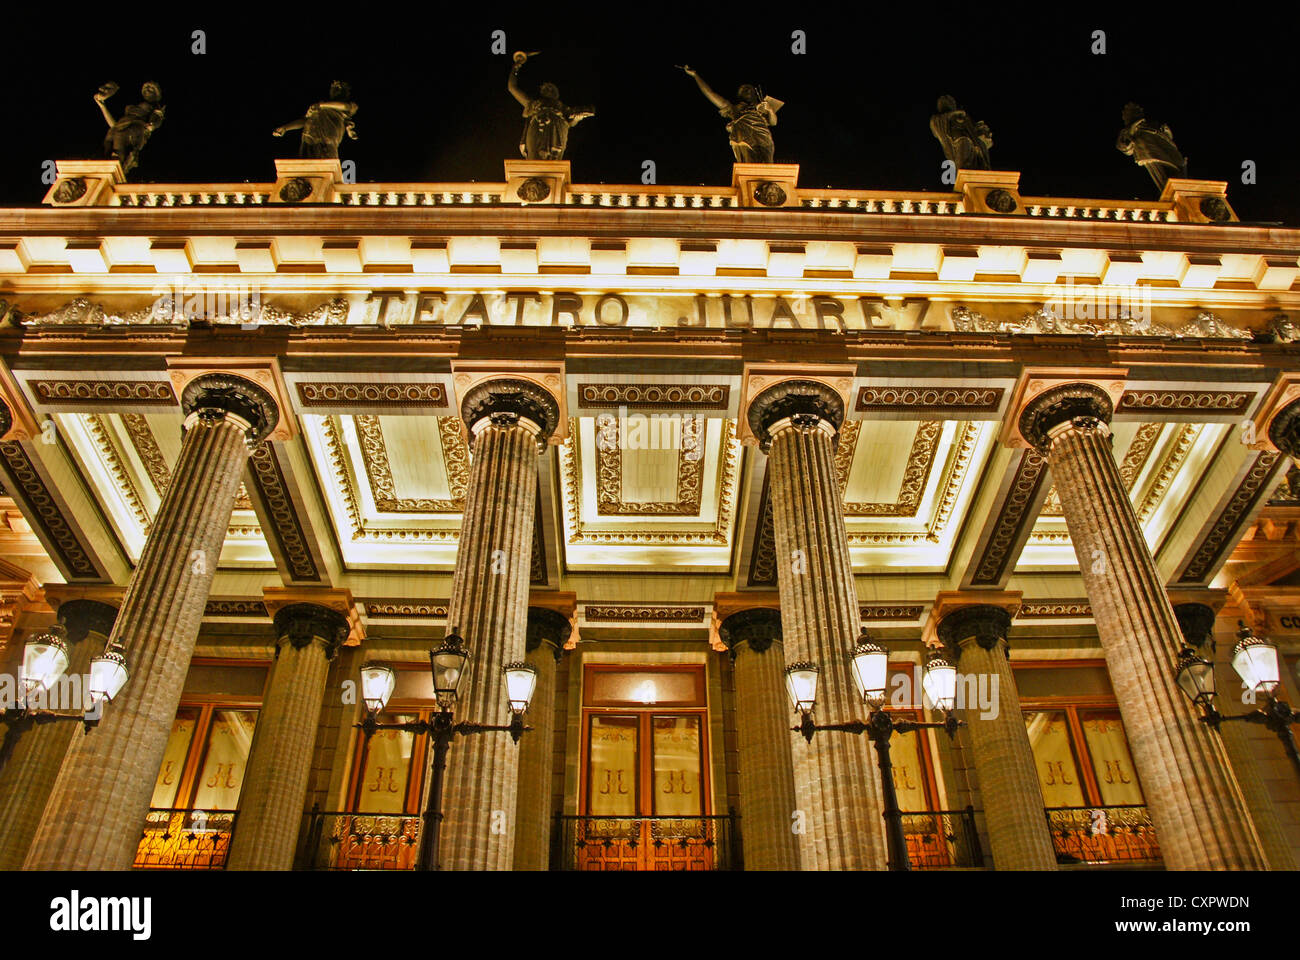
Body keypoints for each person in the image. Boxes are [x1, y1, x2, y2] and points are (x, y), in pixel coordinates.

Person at [680, 65, 782, 163]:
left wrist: (770, 111)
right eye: (744, 89)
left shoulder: (762, 108)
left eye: (749, 89)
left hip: (764, 139)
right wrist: (695, 76)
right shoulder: (733, 109)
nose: (747, 90)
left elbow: (773, 122)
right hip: (744, 139)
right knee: (749, 165)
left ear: (755, 94)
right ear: (739, 95)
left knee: (767, 166)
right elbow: (710, 93)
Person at [508, 52, 594, 161]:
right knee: (534, 157)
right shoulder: (534, 103)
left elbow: (572, 120)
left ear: (557, 94)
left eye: (551, 89)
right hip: (538, 128)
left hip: (557, 132)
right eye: (546, 89)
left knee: (554, 159)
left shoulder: (562, 108)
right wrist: (516, 66)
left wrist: (578, 117)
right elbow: (512, 87)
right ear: (541, 92)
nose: (549, 90)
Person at [94, 81, 165, 177]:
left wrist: (152, 125)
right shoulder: (132, 108)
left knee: (119, 150)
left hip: (134, 129)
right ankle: (105, 175)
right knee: (106, 149)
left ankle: (117, 175)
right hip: (119, 128)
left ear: (157, 94)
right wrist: (102, 106)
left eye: (151, 88)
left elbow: (157, 118)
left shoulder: (155, 106)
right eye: (146, 88)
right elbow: (114, 125)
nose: (147, 89)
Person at [273, 82, 359, 159]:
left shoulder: (348, 106)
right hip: (308, 138)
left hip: (327, 140)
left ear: (346, 92)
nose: (336, 90)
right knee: (305, 164)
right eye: (334, 87)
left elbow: (345, 106)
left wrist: (321, 105)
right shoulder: (317, 107)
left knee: (326, 162)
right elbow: (304, 120)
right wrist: (286, 128)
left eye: (340, 88)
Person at [1116, 103, 1186, 192]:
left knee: (1179, 167)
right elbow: (1124, 147)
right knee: (1165, 175)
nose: (1136, 112)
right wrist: (1130, 140)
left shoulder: (1152, 123)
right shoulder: (1127, 130)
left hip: (1166, 147)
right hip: (1150, 151)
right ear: (1126, 116)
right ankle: (1172, 193)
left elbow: (1167, 137)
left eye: (1137, 110)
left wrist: (1167, 132)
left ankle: (1182, 191)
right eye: (1131, 111)